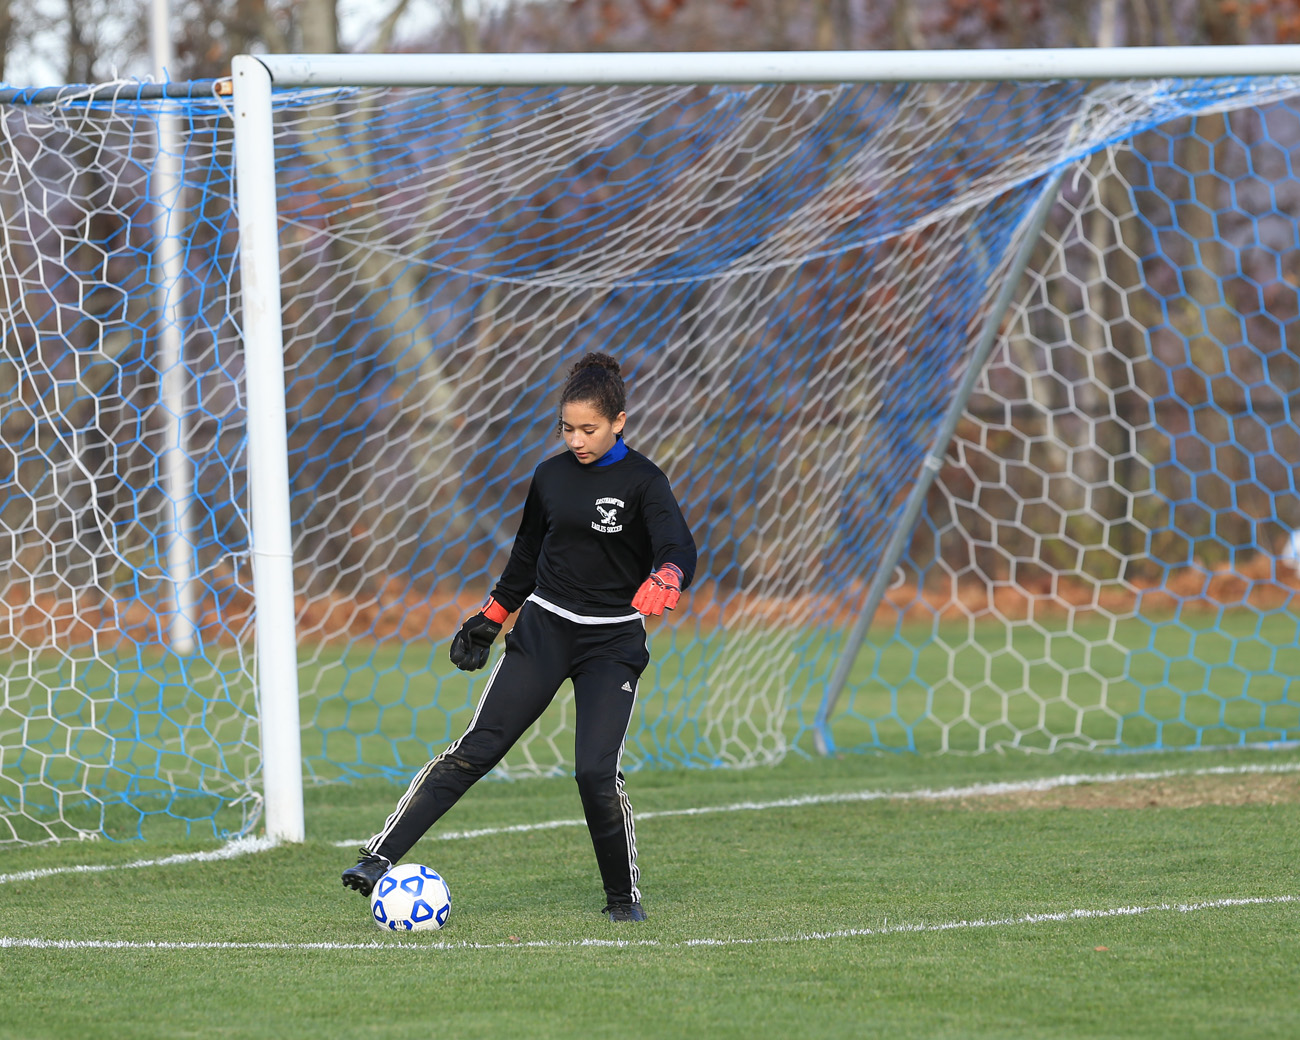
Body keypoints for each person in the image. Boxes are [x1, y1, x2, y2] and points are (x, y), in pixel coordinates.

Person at [341, 352, 696, 923]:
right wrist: (492, 616)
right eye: (567, 428)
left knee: (594, 773)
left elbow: (677, 544)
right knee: (475, 750)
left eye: (589, 429)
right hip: (545, 628)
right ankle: (377, 858)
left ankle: (622, 900)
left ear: (619, 422)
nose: (576, 440)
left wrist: (669, 575)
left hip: (611, 643)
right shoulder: (551, 476)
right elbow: (527, 554)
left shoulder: (645, 482)